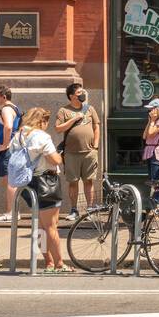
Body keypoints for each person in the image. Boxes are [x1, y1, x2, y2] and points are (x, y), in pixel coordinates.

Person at [12, 107, 69, 272]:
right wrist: (60, 155)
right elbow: (55, 159)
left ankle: (48, 262)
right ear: (41, 121)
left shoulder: (18, 136)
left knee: (39, 226)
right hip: (46, 181)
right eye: (46, 122)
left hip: (27, 182)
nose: (47, 126)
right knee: (51, 226)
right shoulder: (41, 136)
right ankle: (59, 264)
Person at [55, 83, 100, 221]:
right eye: (79, 92)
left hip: (89, 152)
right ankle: (74, 210)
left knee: (89, 181)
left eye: (83, 92)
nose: (83, 94)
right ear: (71, 96)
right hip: (71, 153)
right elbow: (58, 128)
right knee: (73, 182)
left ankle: (90, 210)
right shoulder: (64, 111)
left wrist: (96, 145)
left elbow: (96, 126)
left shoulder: (90, 109)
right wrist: (74, 119)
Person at [0, 86, 23, 223]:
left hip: (7, 150)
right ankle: (13, 211)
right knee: (9, 180)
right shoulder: (15, 108)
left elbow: (8, 126)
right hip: (13, 148)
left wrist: (5, 144)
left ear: (4, 97)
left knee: (10, 181)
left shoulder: (6, 109)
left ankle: (11, 213)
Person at [142, 99, 159, 207]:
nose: (149, 112)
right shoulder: (153, 121)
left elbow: (151, 134)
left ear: (157, 110)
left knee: (156, 181)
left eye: (151, 109)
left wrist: (153, 121)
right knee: (152, 181)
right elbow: (145, 136)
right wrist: (150, 121)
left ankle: (158, 207)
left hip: (156, 153)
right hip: (149, 152)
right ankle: (154, 206)